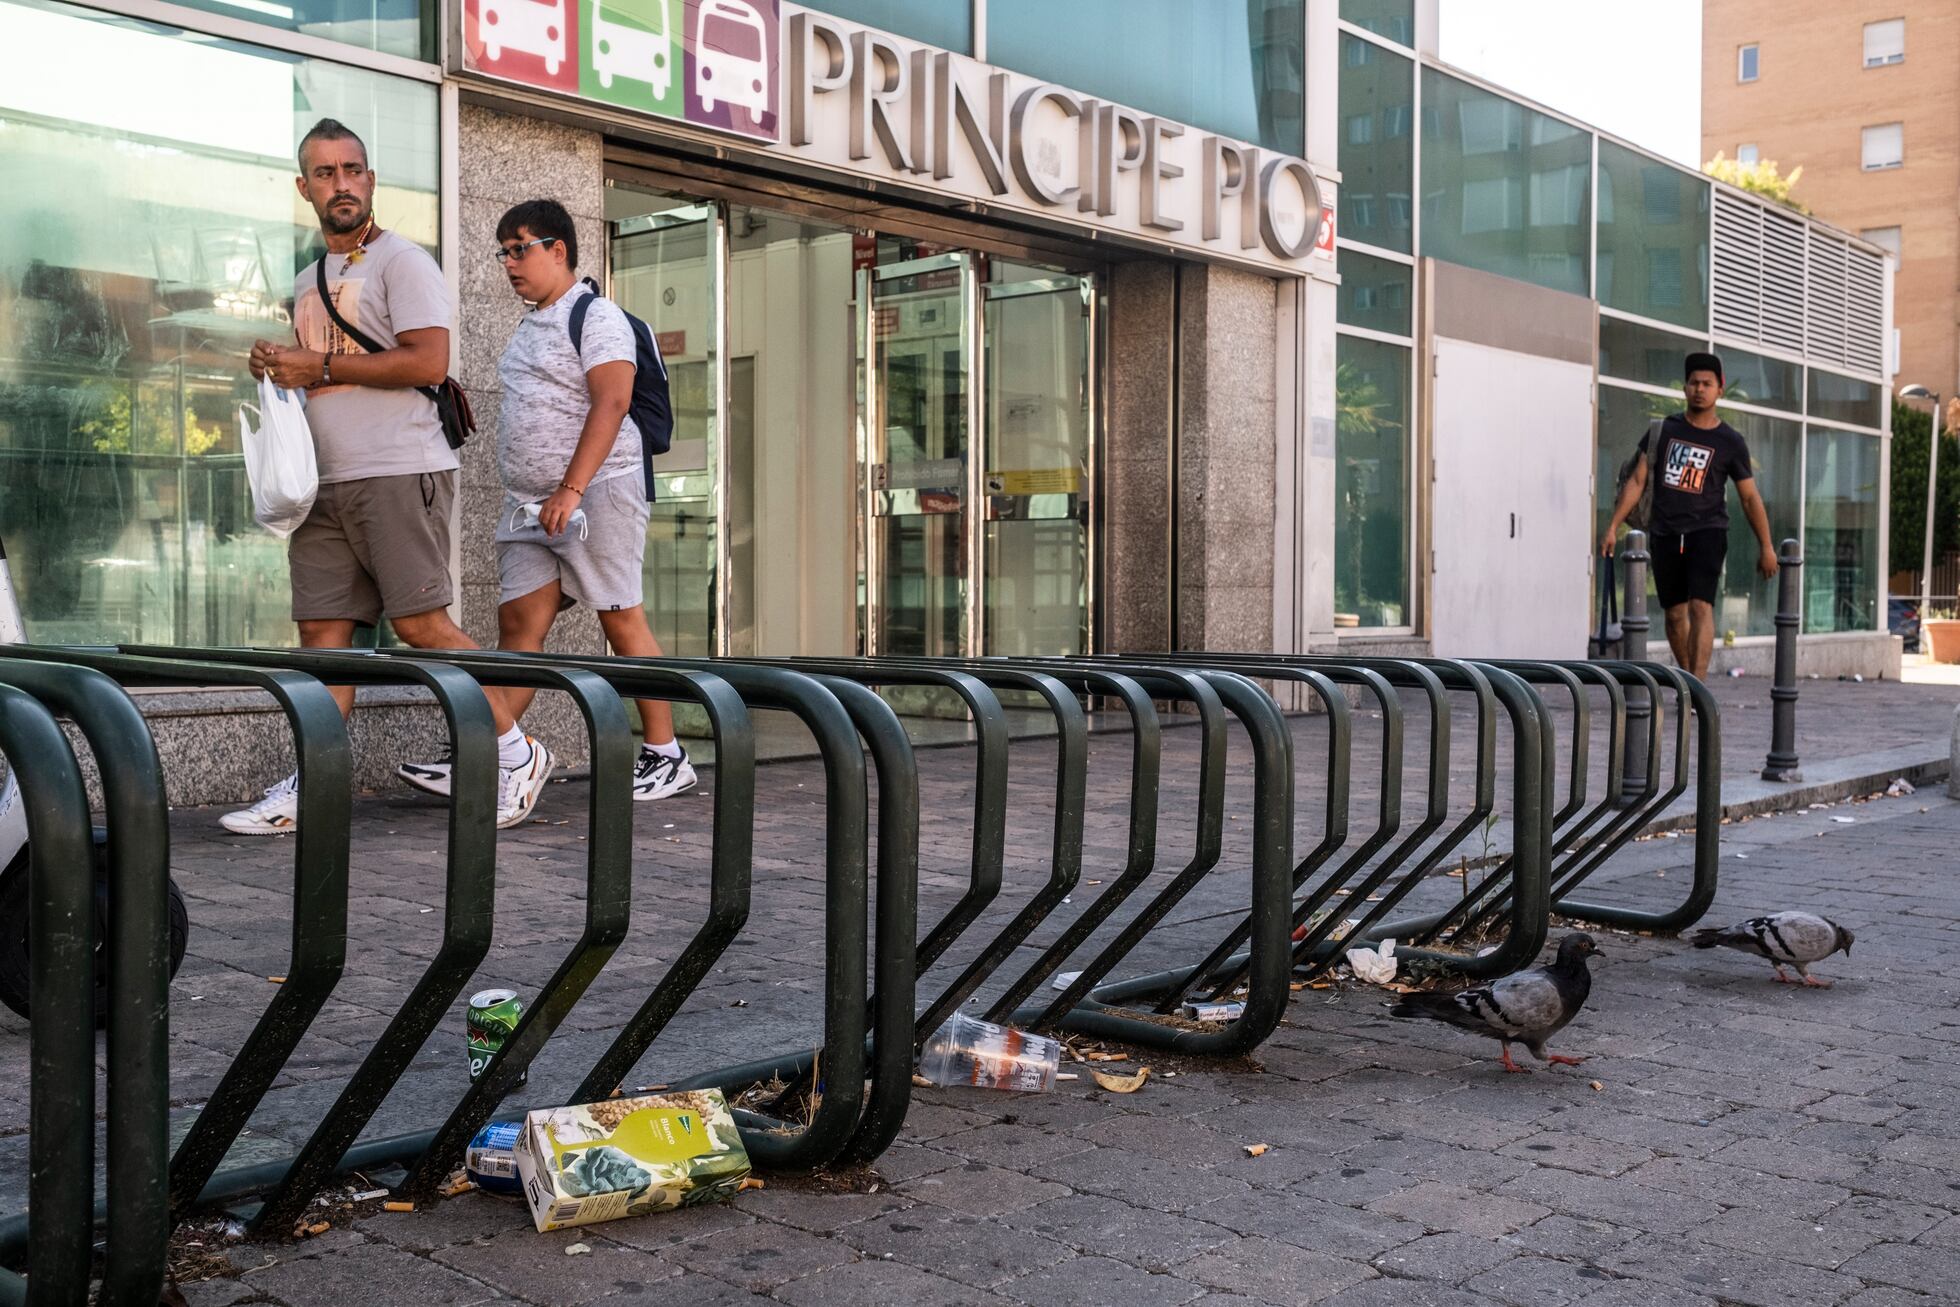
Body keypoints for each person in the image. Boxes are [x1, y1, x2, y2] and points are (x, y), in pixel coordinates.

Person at [226, 118, 552, 835]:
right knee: (324, 635)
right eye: (325, 172)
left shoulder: (404, 262)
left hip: (399, 471)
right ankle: (314, 782)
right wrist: (282, 366)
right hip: (325, 482)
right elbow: (321, 377)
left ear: (370, 181)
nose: (340, 183)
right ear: (304, 187)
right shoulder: (307, 281)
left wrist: (322, 365)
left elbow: (428, 362)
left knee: (422, 624)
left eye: (353, 169)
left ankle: (516, 750)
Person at [398, 199, 695, 803]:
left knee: (620, 616)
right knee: (519, 626)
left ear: (558, 249)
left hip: (599, 491)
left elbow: (612, 402)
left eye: (521, 249)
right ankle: (492, 752)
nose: (509, 263)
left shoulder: (597, 315)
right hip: (529, 505)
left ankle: (667, 755)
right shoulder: (532, 322)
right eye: (503, 251)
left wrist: (572, 488)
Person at [1599, 351, 1779, 680]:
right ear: (1685, 388)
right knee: (1673, 616)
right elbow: (1638, 480)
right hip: (1666, 533)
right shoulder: (1663, 430)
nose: (1700, 388)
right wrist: (1612, 527)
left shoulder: (1730, 441)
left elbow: (1750, 497)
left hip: (1708, 532)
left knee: (1700, 606)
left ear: (1719, 390)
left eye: (1707, 383)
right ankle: (1688, 679)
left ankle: (1698, 686)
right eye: (1694, 382)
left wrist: (1766, 546)